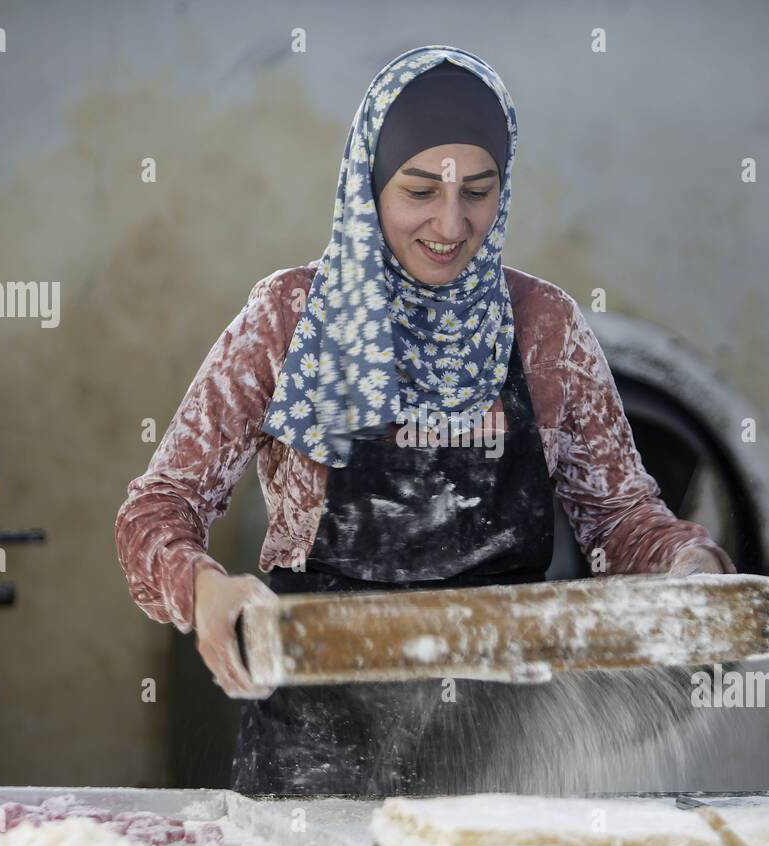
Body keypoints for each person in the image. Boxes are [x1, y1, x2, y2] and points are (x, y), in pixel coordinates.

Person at [114, 45, 734, 796]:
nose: (450, 223)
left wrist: (688, 566)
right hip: (318, 745)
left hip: (507, 748)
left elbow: (620, 520)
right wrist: (204, 588)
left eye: (479, 191)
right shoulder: (290, 320)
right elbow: (157, 511)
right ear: (368, 184)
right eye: (418, 191)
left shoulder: (544, 330)